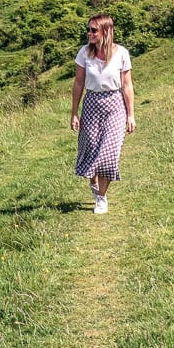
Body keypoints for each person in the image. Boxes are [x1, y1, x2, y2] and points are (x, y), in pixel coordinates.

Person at [71, 14, 135, 214]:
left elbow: (126, 85)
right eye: (88, 30)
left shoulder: (121, 53)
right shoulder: (84, 53)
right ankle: (94, 183)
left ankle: (101, 197)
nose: (89, 33)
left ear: (105, 32)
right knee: (91, 148)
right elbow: (78, 83)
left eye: (93, 30)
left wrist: (131, 114)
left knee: (109, 152)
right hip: (91, 102)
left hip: (115, 104)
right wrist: (74, 113)